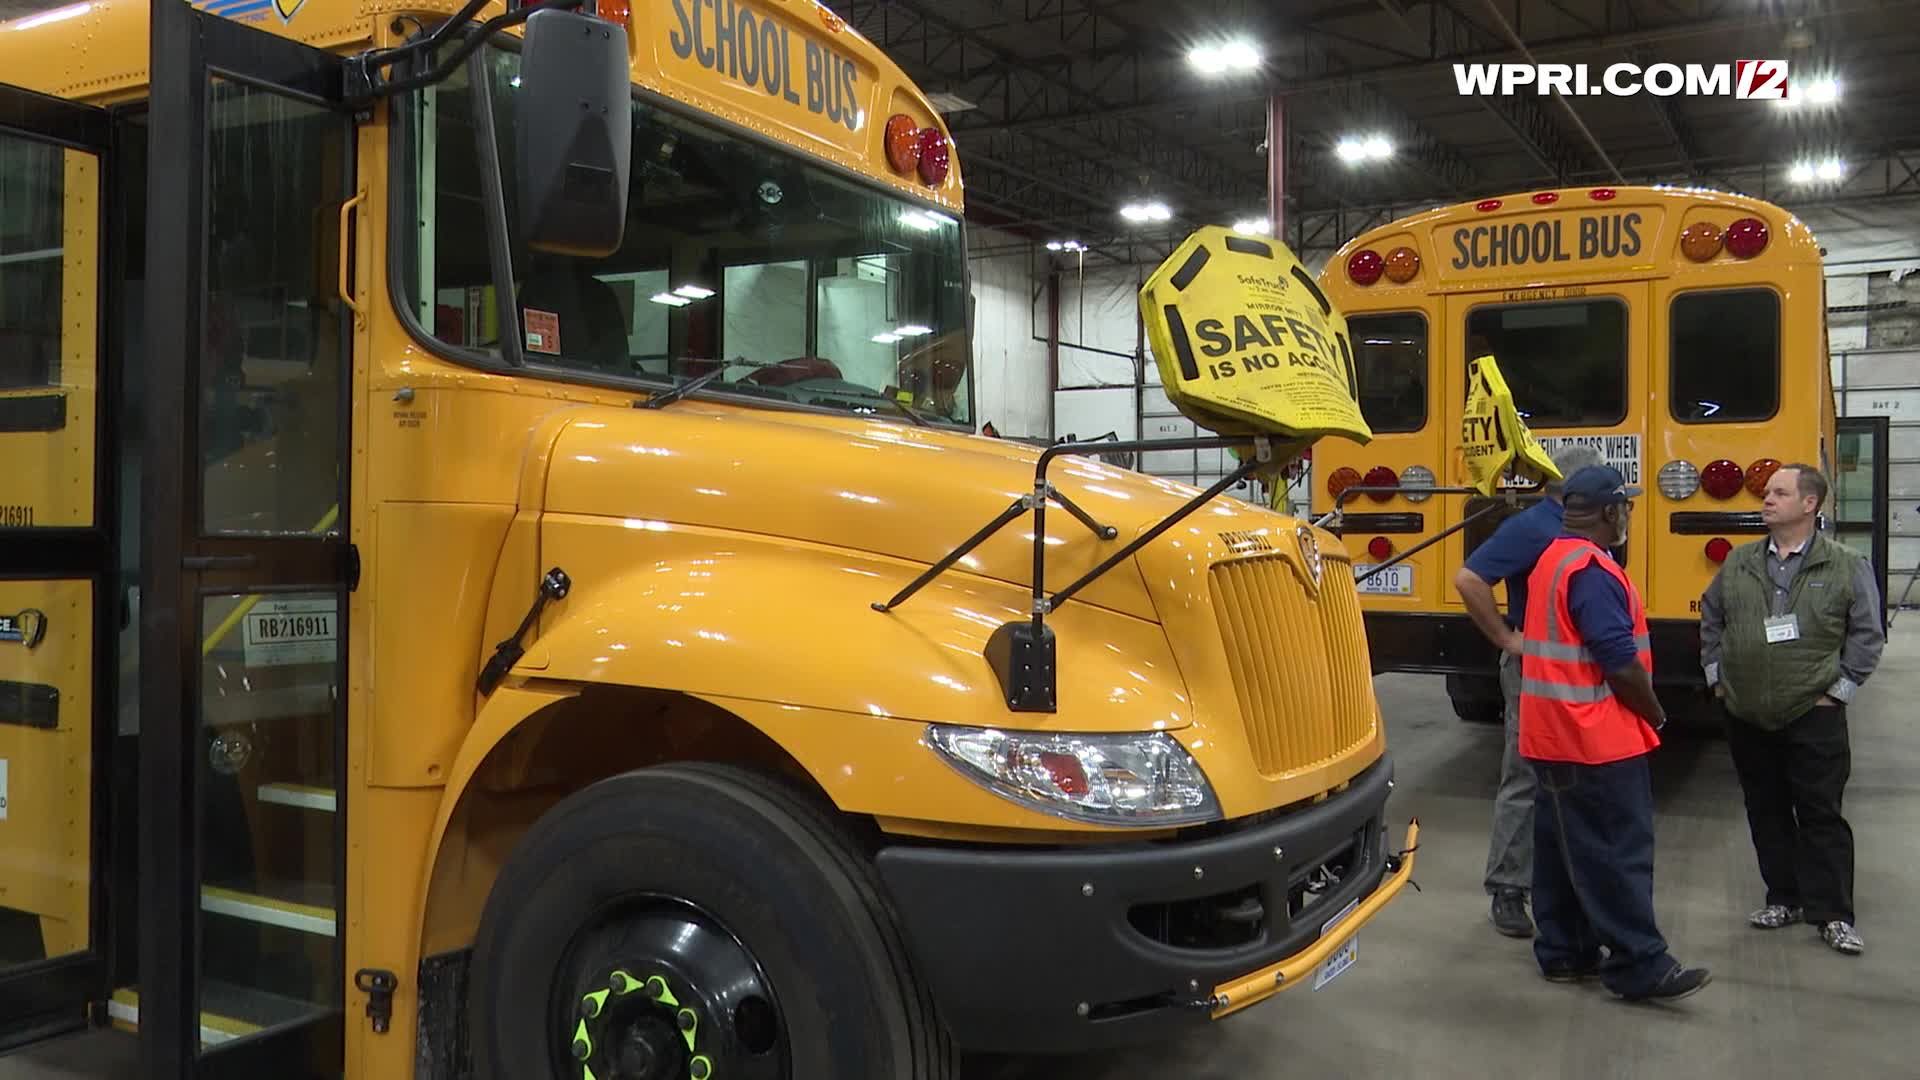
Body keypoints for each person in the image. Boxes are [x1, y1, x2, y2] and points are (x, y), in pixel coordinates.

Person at [1519, 465, 1711, 1001]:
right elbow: (1619, 662)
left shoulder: (1552, 561)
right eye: (1625, 505)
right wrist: (1656, 713)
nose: (1627, 513)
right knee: (1615, 852)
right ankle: (1639, 964)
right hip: (1597, 739)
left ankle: (1564, 952)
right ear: (1609, 512)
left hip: (1553, 734)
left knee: (1561, 848)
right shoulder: (1593, 571)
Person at [1699, 463, 1884, 955]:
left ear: (1809, 504)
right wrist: (1718, 679)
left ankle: (1833, 913)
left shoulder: (1845, 564)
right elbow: (1711, 618)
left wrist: (1838, 692)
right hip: (1747, 713)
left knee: (1820, 813)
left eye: (1779, 493)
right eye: (1767, 493)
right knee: (1766, 809)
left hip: (1813, 712)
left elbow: (1868, 635)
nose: (1766, 499)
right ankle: (1784, 896)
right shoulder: (1739, 563)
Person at [1454, 443, 1604, 938]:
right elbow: (1470, 577)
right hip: (1535, 672)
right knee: (1524, 775)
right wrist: (1505, 637)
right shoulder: (1533, 527)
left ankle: (1562, 880)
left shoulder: (1582, 529)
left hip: (1579, 670)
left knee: (1573, 776)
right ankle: (1508, 888)